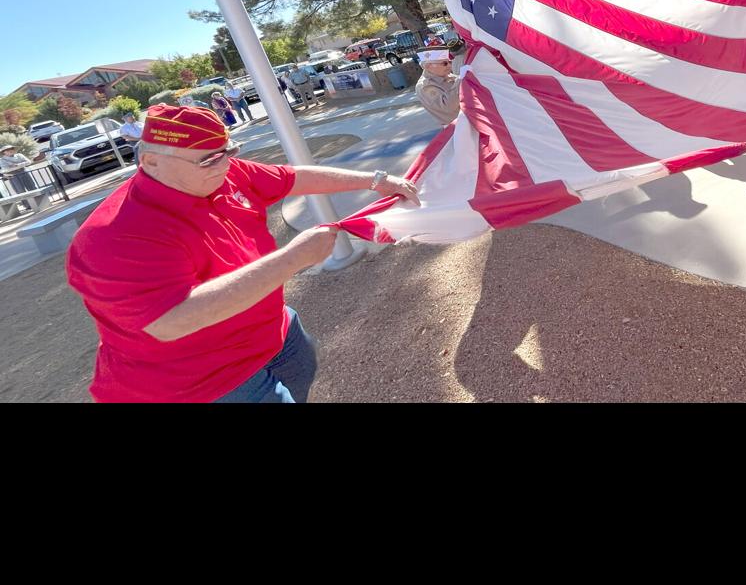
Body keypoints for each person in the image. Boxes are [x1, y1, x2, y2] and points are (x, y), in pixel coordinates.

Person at [64, 103, 421, 403]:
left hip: (274, 334)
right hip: (203, 383)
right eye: (208, 160)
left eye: (229, 152)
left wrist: (375, 180)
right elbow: (171, 321)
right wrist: (293, 259)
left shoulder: (223, 172)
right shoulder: (112, 235)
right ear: (151, 161)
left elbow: (292, 178)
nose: (224, 165)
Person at [415, 46, 460, 126]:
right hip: (456, 127)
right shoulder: (425, 86)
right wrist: (459, 82)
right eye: (444, 63)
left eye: (450, 62)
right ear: (428, 66)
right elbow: (448, 106)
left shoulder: (447, 76)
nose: (449, 66)